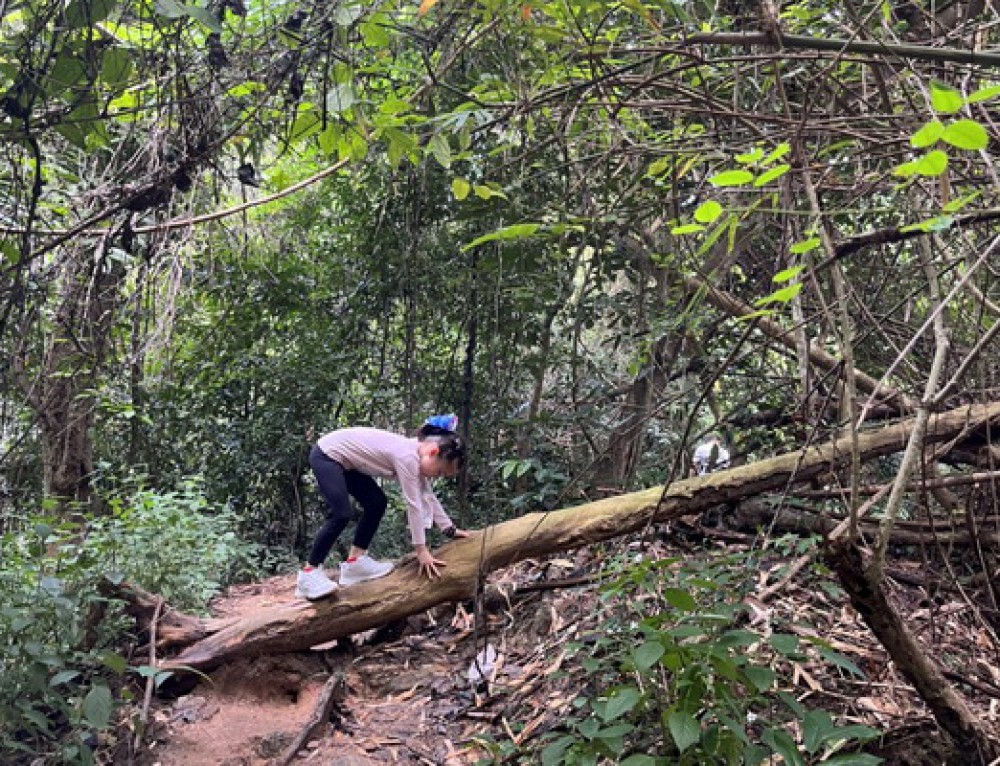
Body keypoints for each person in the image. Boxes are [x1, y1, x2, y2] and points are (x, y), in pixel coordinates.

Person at [296, 414, 471, 600]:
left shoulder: (416, 455)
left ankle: (355, 563)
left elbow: (428, 496)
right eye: (440, 471)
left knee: (376, 503)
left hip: (347, 462)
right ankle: (309, 573)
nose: (437, 476)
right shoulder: (408, 457)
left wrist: (449, 529)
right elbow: (414, 505)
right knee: (341, 514)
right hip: (327, 455)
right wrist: (421, 550)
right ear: (433, 452)